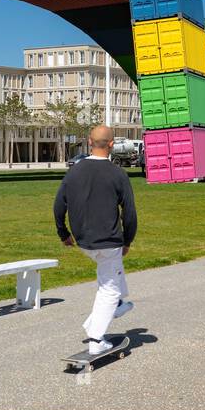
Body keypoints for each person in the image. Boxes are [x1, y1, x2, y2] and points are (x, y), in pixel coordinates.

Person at [53, 125, 137, 355]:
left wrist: (64, 233)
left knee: (110, 273)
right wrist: (128, 240)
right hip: (109, 241)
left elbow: (58, 206)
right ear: (112, 144)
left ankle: (116, 305)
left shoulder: (74, 172)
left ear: (89, 142)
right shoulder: (118, 174)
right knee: (109, 289)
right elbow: (129, 213)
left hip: (84, 241)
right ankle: (96, 339)